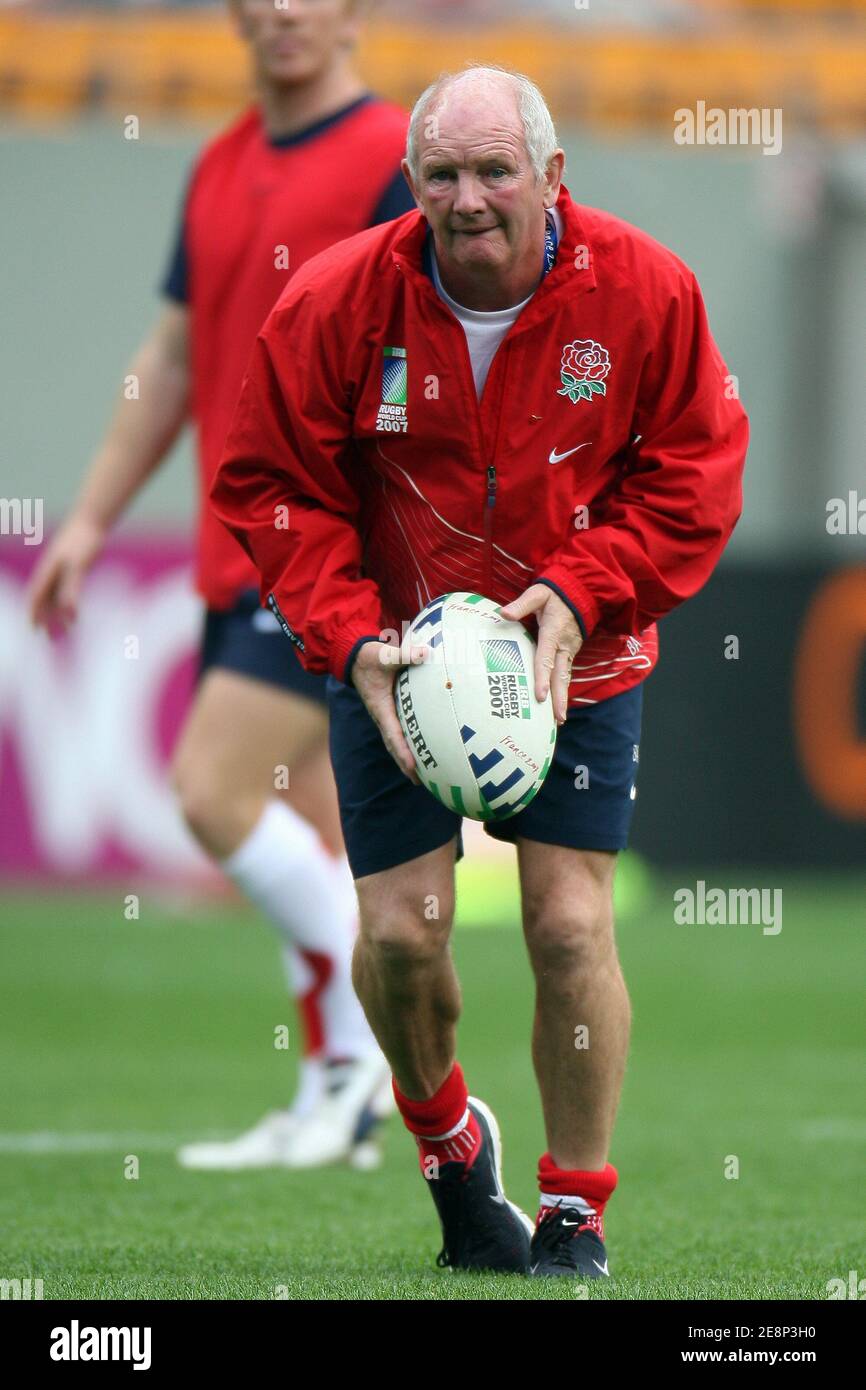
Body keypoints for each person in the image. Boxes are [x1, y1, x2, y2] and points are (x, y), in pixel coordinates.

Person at [211, 63, 748, 1274]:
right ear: (410, 181)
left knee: (566, 923)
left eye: (493, 170)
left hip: (578, 651)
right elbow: (271, 484)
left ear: (550, 175)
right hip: (397, 656)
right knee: (402, 937)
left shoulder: (647, 290)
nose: (466, 199)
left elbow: (696, 473)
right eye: (441, 174)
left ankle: (574, 1210)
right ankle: (450, 1146)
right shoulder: (336, 301)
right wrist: (351, 638)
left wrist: (583, 588)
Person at [27, 0, 417, 1171]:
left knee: (210, 790)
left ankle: (372, 1059)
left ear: (351, 11)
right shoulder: (219, 163)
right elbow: (171, 357)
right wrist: (90, 517)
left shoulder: (393, 157)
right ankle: (342, 1086)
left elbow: (415, 356)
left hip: (323, 550)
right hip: (231, 542)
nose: (284, 9)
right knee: (312, 828)